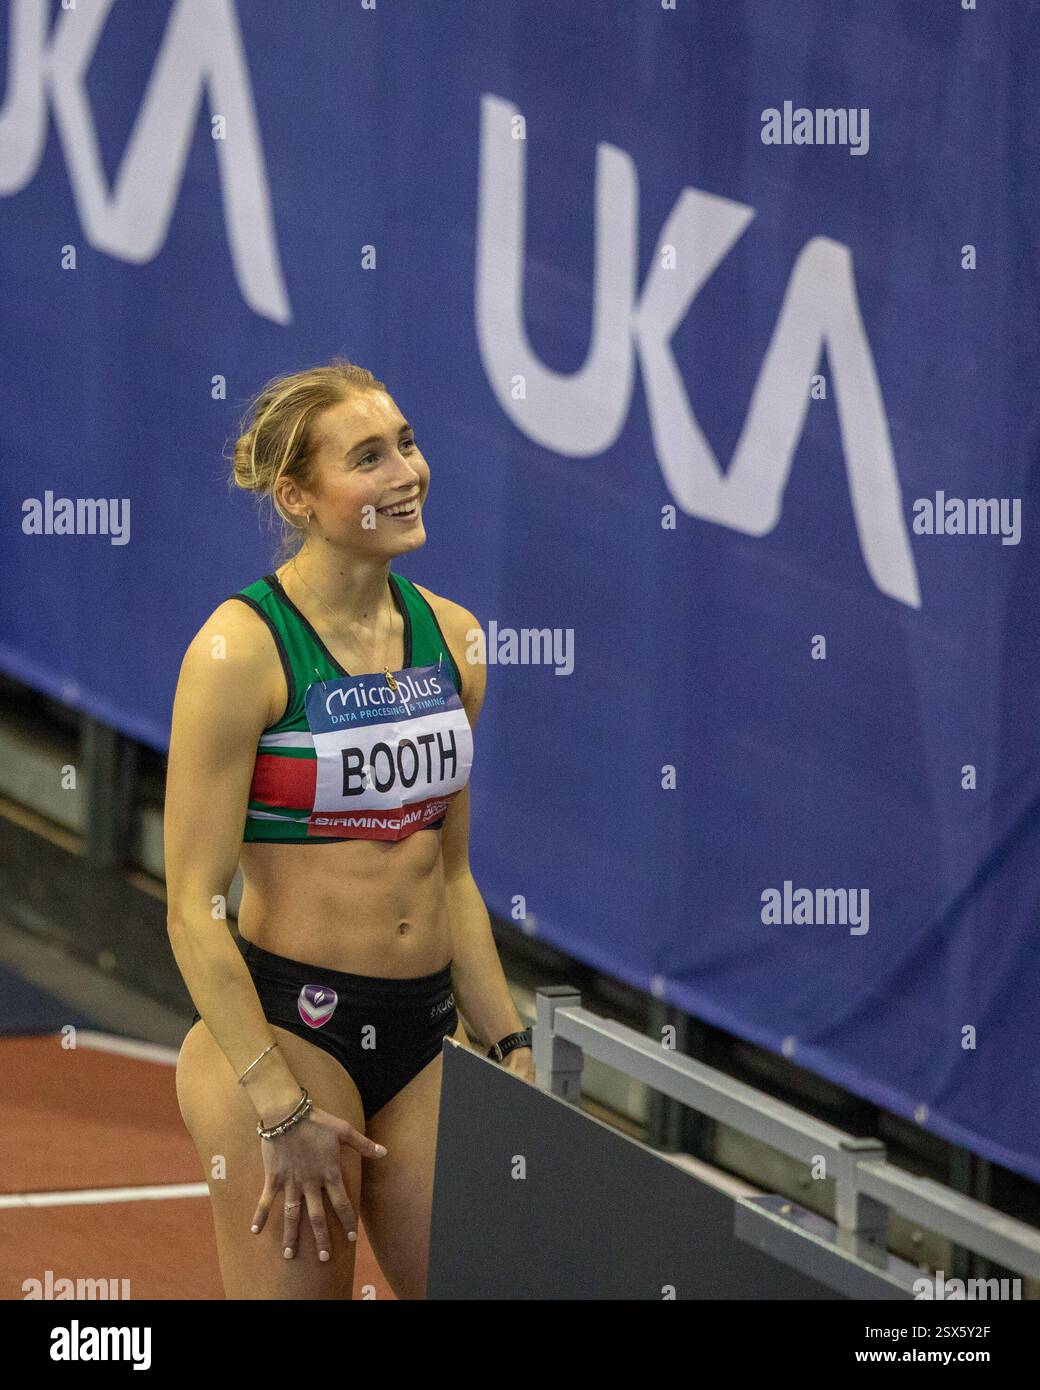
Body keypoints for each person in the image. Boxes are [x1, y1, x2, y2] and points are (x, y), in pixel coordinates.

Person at [167, 359, 533, 1299]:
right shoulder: (238, 651)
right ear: (299, 495)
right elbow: (193, 910)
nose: (406, 472)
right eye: (368, 458)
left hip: (423, 1035)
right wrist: (276, 1108)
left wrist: (509, 1046)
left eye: (407, 444)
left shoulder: (454, 639)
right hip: (288, 1031)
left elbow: (448, 877)